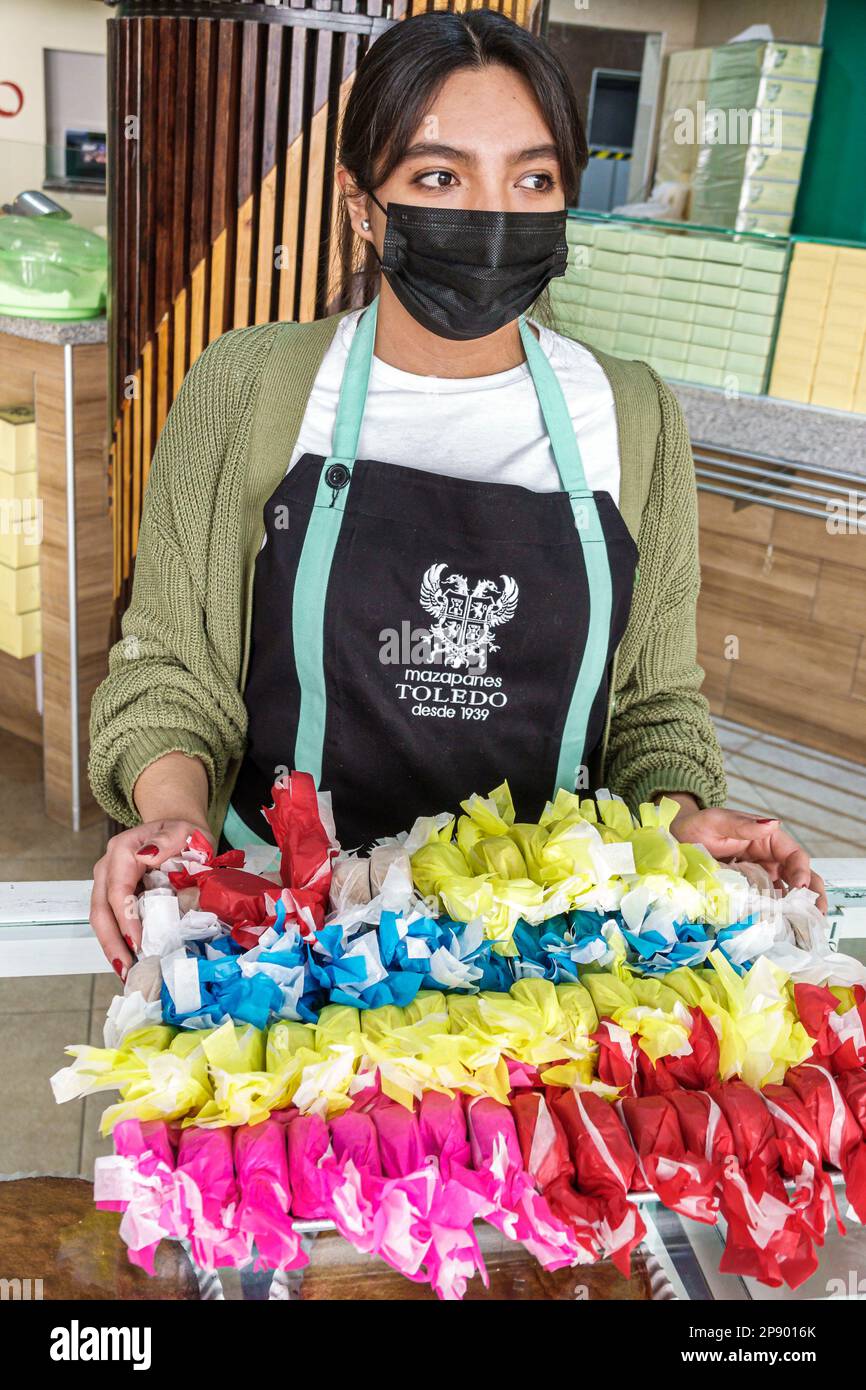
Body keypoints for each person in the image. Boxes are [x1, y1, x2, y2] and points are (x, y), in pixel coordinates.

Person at [87, 9, 824, 977]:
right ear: (359, 202)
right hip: (285, 943)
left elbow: (650, 712)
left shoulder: (630, 417)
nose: (490, 216)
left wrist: (684, 822)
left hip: (549, 955)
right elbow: (169, 675)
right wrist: (173, 823)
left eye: (531, 179)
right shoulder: (247, 391)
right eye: (439, 177)